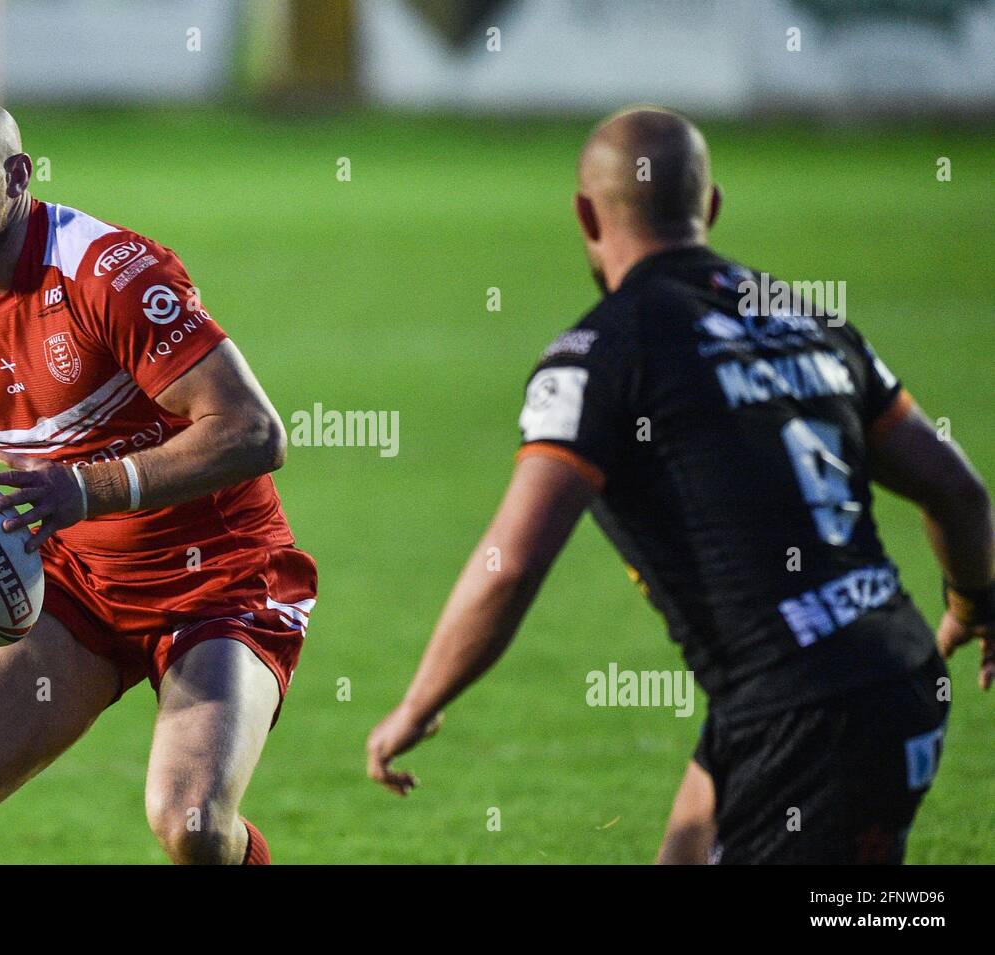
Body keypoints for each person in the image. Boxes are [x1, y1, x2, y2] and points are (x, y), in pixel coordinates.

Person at [366, 106, 992, 864]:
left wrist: (419, 704)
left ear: (585, 214)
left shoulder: (600, 353)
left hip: (802, 710)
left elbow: (512, 564)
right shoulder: (805, 318)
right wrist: (972, 604)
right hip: (890, 670)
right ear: (712, 205)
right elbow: (958, 490)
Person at [0, 95, 316, 864]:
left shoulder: (109, 273)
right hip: (71, 589)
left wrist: (83, 489)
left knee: (194, 824)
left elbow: (254, 431)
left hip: (221, 580)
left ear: (17, 176)